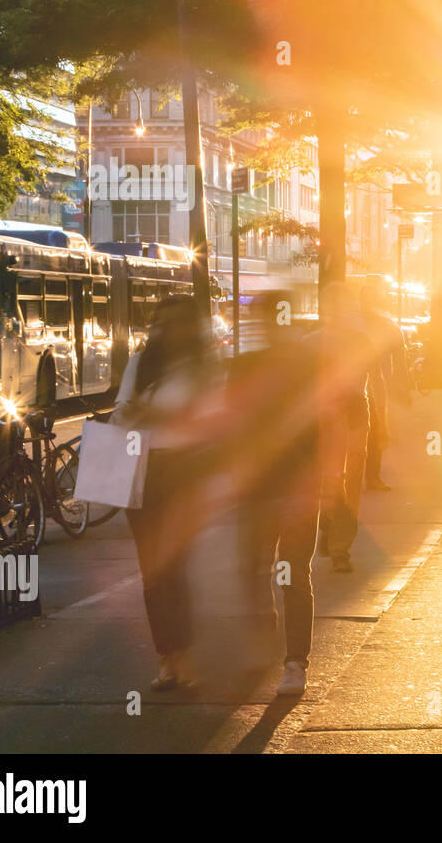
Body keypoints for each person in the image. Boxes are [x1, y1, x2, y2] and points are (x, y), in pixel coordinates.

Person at [113, 296, 218, 692]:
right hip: (142, 470)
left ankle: (184, 652)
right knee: (153, 572)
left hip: (184, 472)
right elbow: (122, 411)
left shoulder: (202, 369)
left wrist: (153, 415)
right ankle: (166, 656)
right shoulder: (142, 364)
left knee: (176, 566)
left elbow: (207, 420)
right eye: (162, 322)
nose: (167, 330)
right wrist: (158, 415)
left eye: (177, 323)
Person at [226, 291, 321, 697]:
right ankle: (291, 660)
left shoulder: (251, 367)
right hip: (276, 485)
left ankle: (288, 655)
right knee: (288, 573)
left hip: (278, 485)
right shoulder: (308, 366)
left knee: (272, 570)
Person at [315, 282, 373, 574]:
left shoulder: (360, 340)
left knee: (350, 483)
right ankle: (328, 519)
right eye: (332, 304)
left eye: (342, 304)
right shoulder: (312, 342)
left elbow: (371, 383)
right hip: (326, 416)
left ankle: (340, 548)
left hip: (353, 414)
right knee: (330, 481)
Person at [357, 277, 411, 491]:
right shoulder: (388, 326)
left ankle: (365, 476)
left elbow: (400, 360)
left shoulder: (359, 323)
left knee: (372, 431)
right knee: (374, 430)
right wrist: (403, 386)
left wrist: (402, 385)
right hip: (371, 384)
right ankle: (370, 477)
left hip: (367, 384)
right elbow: (400, 361)